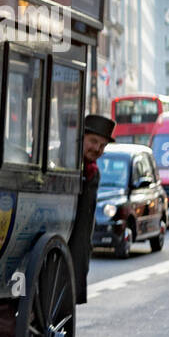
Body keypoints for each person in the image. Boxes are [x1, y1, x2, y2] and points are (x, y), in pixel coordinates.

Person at [70, 114, 115, 304]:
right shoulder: (66, 162)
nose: (97, 149)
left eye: (103, 146)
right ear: (82, 138)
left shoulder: (92, 172)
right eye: (94, 141)